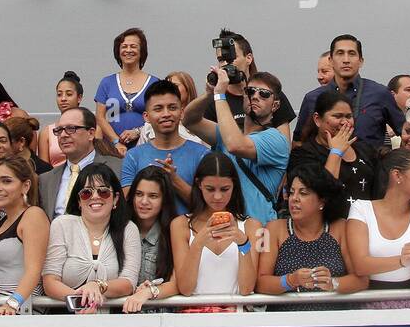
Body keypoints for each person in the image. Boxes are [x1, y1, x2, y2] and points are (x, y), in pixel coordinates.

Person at [184, 70, 288, 224]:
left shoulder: (277, 139)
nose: (255, 96)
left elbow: (234, 145)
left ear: (275, 105)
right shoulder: (227, 134)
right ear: (243, 97)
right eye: (250, 91)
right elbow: (189, 120)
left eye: (264, 94)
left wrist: (220, 95)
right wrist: (209, 95)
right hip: (225, 228)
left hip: (259, 230)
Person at [257, 163, 368, 305]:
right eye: (291, 192)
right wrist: (290, 280)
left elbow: (361, 280)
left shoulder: (342, 227)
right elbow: (259, 282)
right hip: (285, 320)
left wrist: (333, 283)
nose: (294, 198)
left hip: (335, 320)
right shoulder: (271, 229)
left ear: (322, 200)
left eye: (303, 193)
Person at [345, 149, 410, 308]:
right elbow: (360, 266)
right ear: (397, 175)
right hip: (369, 303)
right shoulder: (361, 208)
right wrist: (400, 261)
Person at [43, 164, 140, 311]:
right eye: (86, 193)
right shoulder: (61, 225)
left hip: (114, 321)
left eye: (103, 192)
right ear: (79, 201)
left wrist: (98, 286)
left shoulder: (128, 229)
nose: (95, 197)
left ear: (115, 199)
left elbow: (129, 282)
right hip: (64, 317)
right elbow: (50, 281)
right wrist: (82, 301)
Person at [170, 152, 263, 302]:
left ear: (234, 186)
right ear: (199, 184)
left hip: (237, 318)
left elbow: (247, 289)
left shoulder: (253, 226)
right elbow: (185, 289)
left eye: (225, 189)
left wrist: (243, 243)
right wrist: (198, 243)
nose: (218, 197)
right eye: (210, 189)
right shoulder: (180, 225)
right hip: (193, 318)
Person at [295, 34, 404, 147]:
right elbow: (298, 142)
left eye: (352, 54)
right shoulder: (313, 98)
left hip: (371, 163)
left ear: (361, 61)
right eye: (340, 53)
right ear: (331, 61)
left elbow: (406, 133)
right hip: (325, 163)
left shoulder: (380, 94)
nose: (346, 60)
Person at [0, 156, 51, 315]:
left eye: (6, 181)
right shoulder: (0, 222)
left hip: (24, 313)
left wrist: (12, 304)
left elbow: (34, 271)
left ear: (25, 186)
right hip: (0, 312)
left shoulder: (33, 215)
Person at [123, 79, 211, 211]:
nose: (166, 114)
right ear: (146, 117)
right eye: (158, 109)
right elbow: (128, 205)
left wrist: (174, 180)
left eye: (172, 108)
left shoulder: (202, 154)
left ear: (181, 112)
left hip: (191, 230)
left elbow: (208, 206)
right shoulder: (133, 156)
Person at [288, 90, 380, 203]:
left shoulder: (365, 150)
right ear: (317, 119)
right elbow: (321, 194)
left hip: (363, 219)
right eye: (337, 116)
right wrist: (336, 152)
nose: (345, 122)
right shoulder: (303, 155)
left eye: (348, 116)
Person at [39, 108, 123, 219]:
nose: (63, 135)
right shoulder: (46, 179)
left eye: (71, 128)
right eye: (59, 130)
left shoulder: (118, 167)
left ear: (91, 133)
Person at [121, 166, 181, 311]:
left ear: (164, 200)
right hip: (119, 318)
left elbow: (179, 283)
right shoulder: (119, 230)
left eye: (153, 196)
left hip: (161, 320)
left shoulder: (174, 232)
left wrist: (150, 291)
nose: (144, 201)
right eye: (139, 194)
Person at [95, 28, 157, 156]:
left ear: (141, 51)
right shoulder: (107, 83)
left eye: (133, 46)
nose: (128, 50)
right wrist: (116, 141)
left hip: (146, 146)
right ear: (118, 51)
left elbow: (158, 116)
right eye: (124, 47)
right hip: (112, 150)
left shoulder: (154, 83)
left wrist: (138, 132)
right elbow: (100, 117)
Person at [135, 71, 207, 149]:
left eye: (174, 86)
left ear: (188, 88)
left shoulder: (200, 124)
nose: (166, 114)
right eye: (158, 108)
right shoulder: (148, 127)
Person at [37, 71, 84, 167]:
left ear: (79, 98)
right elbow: (44, 170)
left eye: (69, 94)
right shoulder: (46, 132)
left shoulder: (92, 127)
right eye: (59, 94)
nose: (63, 99)